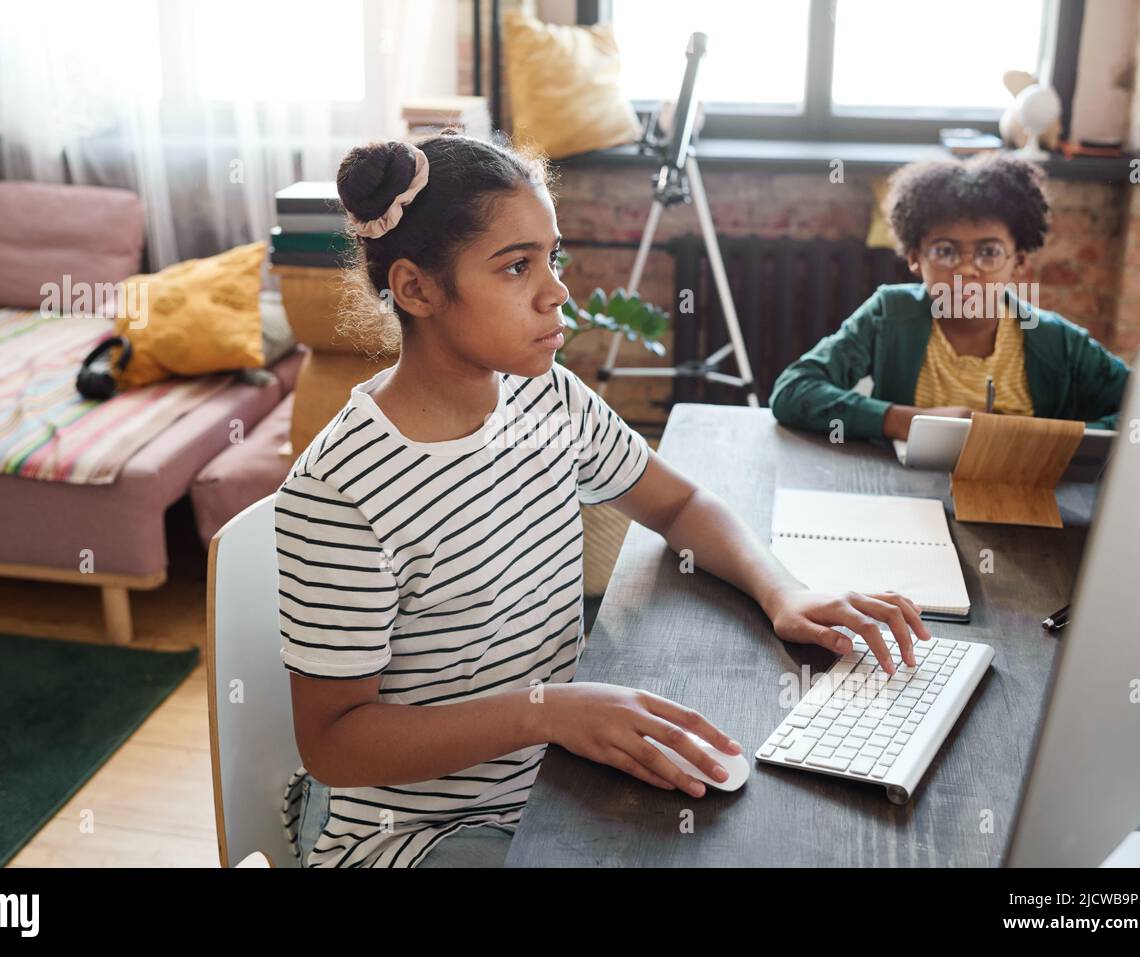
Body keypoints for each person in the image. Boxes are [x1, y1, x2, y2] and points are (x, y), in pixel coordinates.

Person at [277, 131, 930, 867]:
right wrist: (547, 711)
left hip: (549, 772)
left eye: (552, 257)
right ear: (417, 288)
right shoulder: (343, 490)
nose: (557, 290)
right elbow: (334, 741)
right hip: (414, 832)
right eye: (517, 266)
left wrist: (784, 591)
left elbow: (679, 507)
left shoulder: (544, 394)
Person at [769, 153, 1129, 441]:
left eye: (988, 253)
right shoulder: (889, 316)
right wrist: (906, 421)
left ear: (1017, 261)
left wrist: (1052, 440)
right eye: (945, 251)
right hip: (905, 498)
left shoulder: (1056, 341)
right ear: (914, 257)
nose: (967, 270)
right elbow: (793, 391)